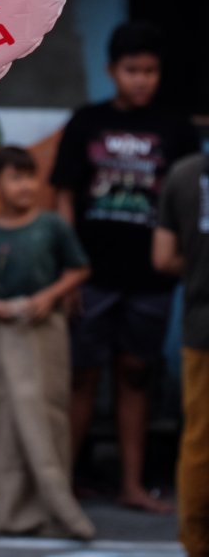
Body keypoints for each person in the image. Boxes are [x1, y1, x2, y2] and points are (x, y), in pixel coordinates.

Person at [51, 21, 200, 512]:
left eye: (150, 71)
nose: (142, 80)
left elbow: (189, 204)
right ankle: (60, 487)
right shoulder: (86, 122)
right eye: (132, 70)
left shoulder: (177, 130)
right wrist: (68, 270)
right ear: (111, 70)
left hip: (150, 278)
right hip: (90, 275)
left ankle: (131, 485)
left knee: (137, 374)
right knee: (82, 376)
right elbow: (63, 197)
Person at [0, 147, 95, 539]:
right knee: (6, 417)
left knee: (46, 415)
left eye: (30, 177)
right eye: (15, 178)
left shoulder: (52, 226)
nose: (25, 186)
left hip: (44, 327)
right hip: (2, 330)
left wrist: (47, 297)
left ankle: (57, 508)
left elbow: (79, 269)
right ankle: (15, 512)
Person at [153, 149, 209, 555]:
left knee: (199, 440)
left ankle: (196, 541)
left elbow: (162, 258)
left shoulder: (184, 174)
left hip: (201, 325)